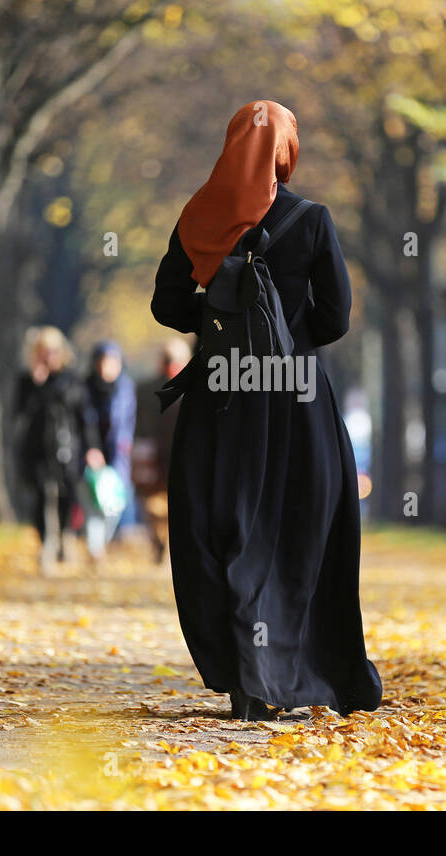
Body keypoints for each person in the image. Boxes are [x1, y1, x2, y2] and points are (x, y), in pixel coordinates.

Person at [150, 99, 382, 720]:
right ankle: (290, 674)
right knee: (296, 533)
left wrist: (223, 317)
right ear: (286, 152)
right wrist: (282, 332)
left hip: (220, 402)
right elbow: (334, 317)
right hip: (296, 402)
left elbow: (167, 305)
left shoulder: (198, 217)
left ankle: (242, 674)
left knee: (222, 526)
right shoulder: (311, 220)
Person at [12, 327, 103, 575]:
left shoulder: (73, 380)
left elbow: (86, 419)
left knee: (67, 497)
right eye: (42, 352)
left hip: (69, 450)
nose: (48, 357)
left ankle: (66, 538)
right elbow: (20, 415)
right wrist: (35, 384)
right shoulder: (27, 381)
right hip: (37, 451)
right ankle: (46, 545)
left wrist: (93, 448)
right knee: (42, 496)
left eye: (52, 351)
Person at [133, 339, 193, 563]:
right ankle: (158, 542)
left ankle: (170, 544)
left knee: (178, 505)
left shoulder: (195, 386)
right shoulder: (146, 388)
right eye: (168, 359)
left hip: (183, 455)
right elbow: (138, 420)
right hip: (154, 455)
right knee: (152, 504)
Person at [84, 341, 137, 557]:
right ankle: (95, 550)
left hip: (119, 454)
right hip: (92, 454)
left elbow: (130, 421)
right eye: (104, 362)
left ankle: (106, 542)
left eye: (113, 362)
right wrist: (91, 448)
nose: (108, 367)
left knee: (115, 503)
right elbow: (84, 421)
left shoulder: (126, 388)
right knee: (93, 503)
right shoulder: (85, 388)